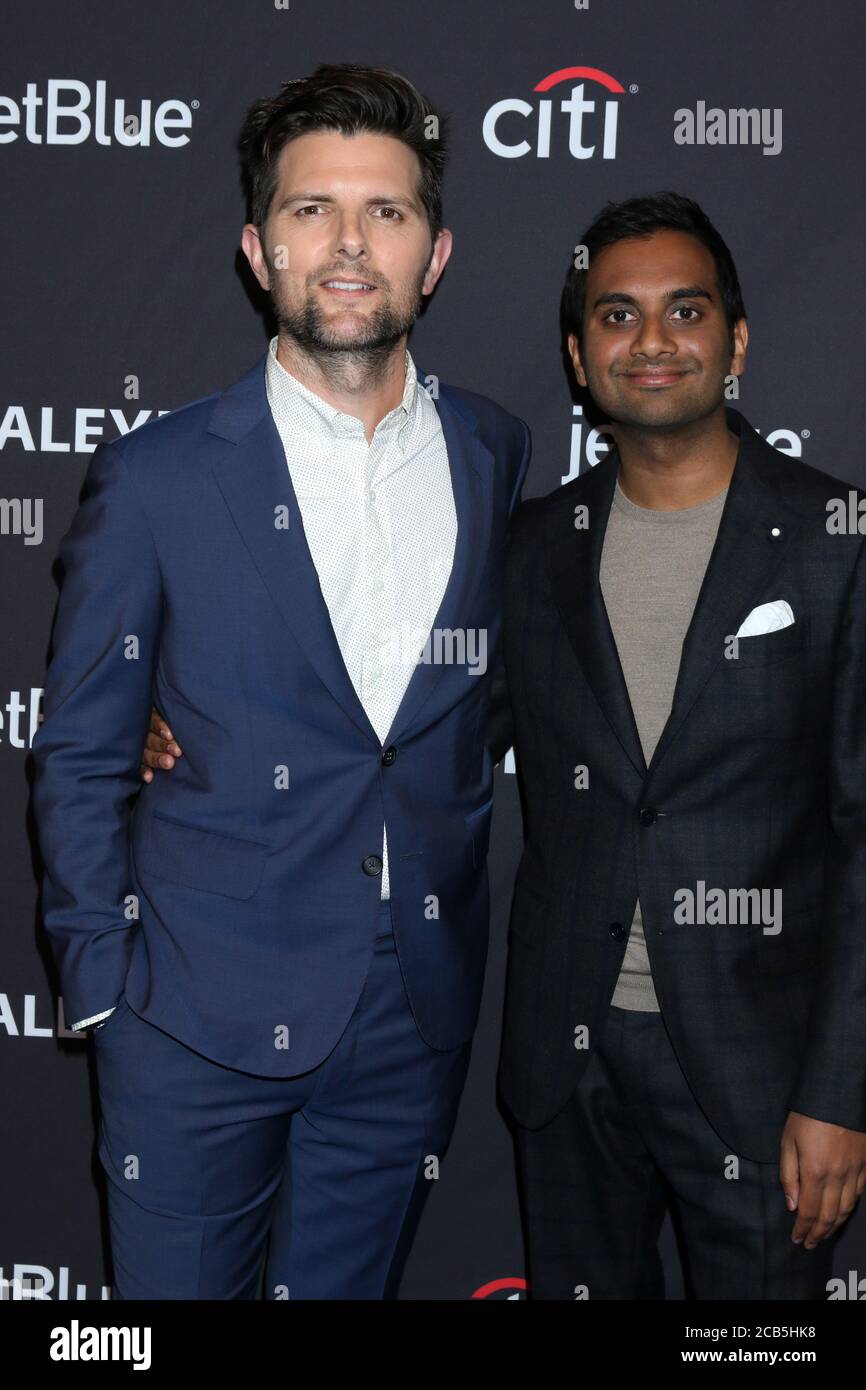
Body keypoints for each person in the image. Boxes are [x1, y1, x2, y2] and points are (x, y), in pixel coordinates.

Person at [32, 63, 529, 1300]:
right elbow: (85, 745)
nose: (350, 242)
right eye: (313, 210)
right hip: (188, 1019)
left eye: (387, 212)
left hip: (408, 1017)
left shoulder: (491, 450)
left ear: (436, 252)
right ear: (260, 249)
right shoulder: (154, 477)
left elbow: (469, 705)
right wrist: (101, 988)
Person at [495, 191, 866, 1298]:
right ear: (576, 354)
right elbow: (422, 732)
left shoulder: (835, 542)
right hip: (566, 1057)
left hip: (761, 1075)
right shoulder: (530, 549)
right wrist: (194, 724)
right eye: (614, 316)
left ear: (734, 340)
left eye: (683, 311)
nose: (650, 341)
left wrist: (839, 1091)